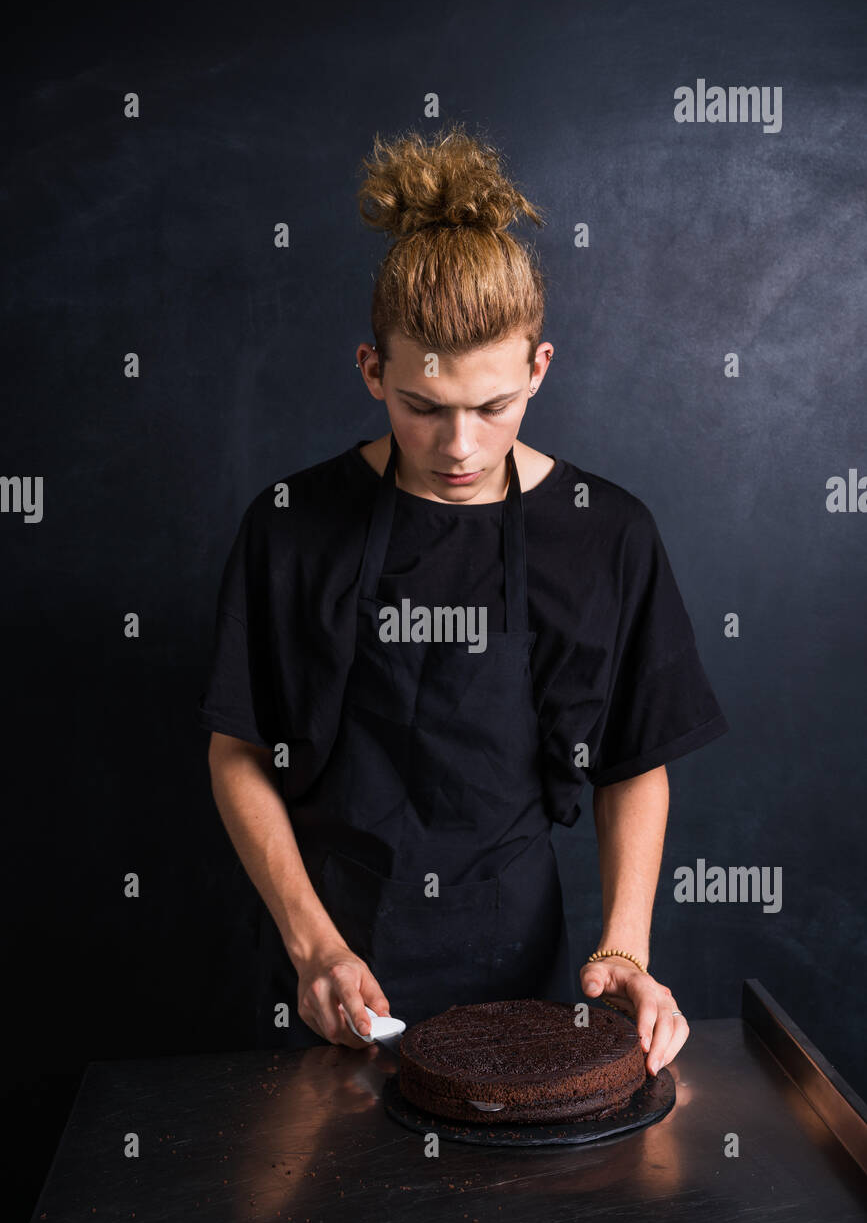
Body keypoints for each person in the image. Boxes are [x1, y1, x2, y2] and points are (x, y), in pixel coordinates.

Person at [197, 123, 729, 1078]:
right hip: (317, 969)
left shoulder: (604, 532)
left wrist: (624, 952)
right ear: (371, 372)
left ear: (538, 368)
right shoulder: (290, 524)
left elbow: (633, 759)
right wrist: (313, 947)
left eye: (492, 408)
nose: (459, 448)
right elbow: (237, 748)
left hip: (515, 972)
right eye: (421, 407)